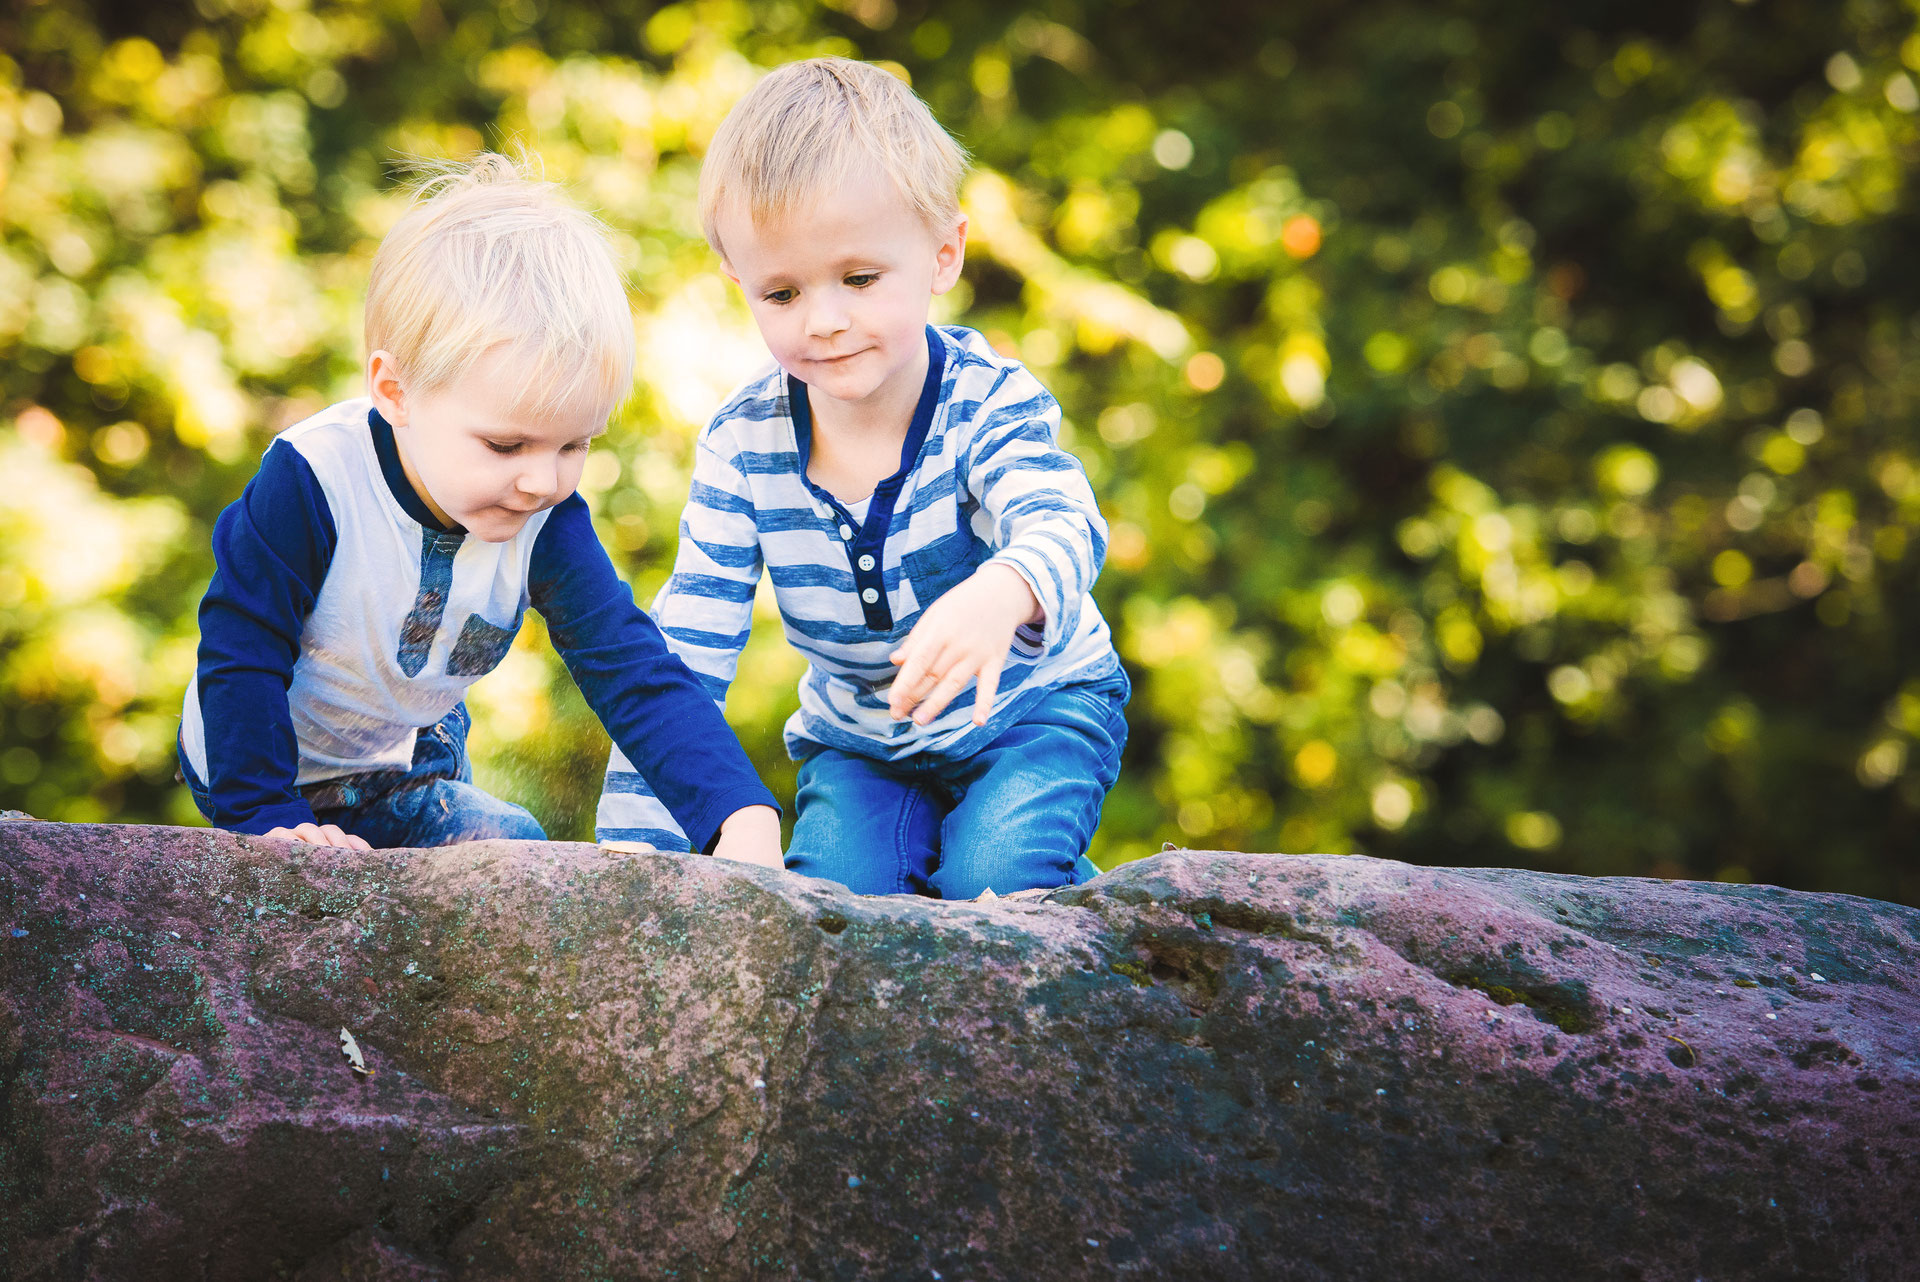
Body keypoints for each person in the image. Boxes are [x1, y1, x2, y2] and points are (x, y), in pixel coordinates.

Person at [595, 58, 1128, 899]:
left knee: (993, 880)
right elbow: (689, 644)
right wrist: (635, 850)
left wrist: (1000, 595)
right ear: (739, 284)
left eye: (860, 278)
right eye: (781, 292)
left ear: (943, 254)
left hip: (1034, 713)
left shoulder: (984, 400)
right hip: (864, 745)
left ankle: (1089, 909)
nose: (825, 320)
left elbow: (1065, 522)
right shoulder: (744, 444)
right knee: (836, 905)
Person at [177, 153, 783, 867]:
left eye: (573, 445)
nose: (540, 481)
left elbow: (634, 670)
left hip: (399, 755)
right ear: (396, 392)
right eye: (505, 444)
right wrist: (265, 818)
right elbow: (242, 648)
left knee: (513, 849)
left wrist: (738, 816)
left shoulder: (547, 520)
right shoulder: (314, 480)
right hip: (255, 756)